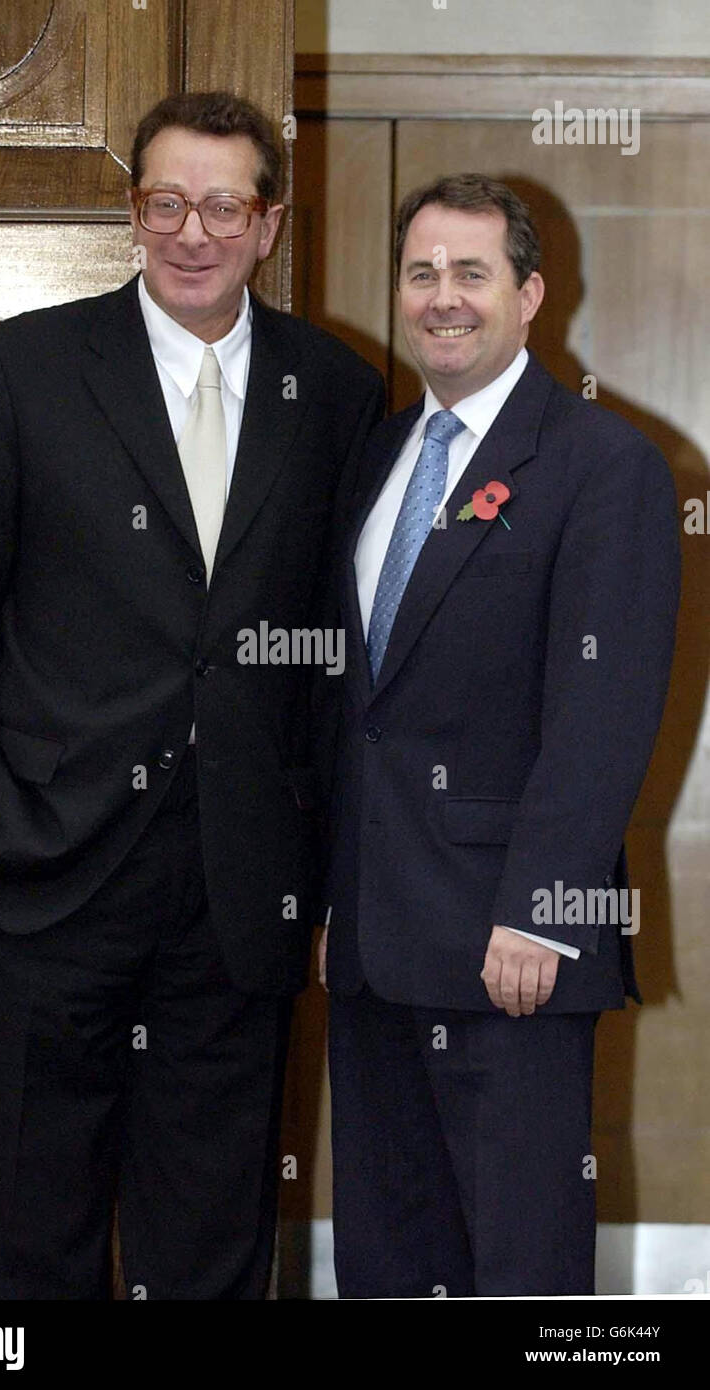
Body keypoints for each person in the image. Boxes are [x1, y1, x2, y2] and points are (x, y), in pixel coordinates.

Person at [0, 90, 384, 1300]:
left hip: (236, 892)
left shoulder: (335, 394)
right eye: (167, 201)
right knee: (29, 1235)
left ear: (268, 225)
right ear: (133, 212)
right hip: (43, 877)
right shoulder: (24, 367)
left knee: (211, 1237)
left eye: (225, 205)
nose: (194, 233)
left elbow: (338, 652)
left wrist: (323, 873)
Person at [318, 173, 680, 1298]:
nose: (442, 298)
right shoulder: (376, 458)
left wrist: (543, 910)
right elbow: (355, 710)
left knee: (518, 1263)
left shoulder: (602, 464)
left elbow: (603, 711)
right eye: (421, 272)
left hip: (505, 948)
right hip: (375, 946)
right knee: (388, 1253)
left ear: (530, 294)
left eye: (471, 272)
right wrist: (334, 899)